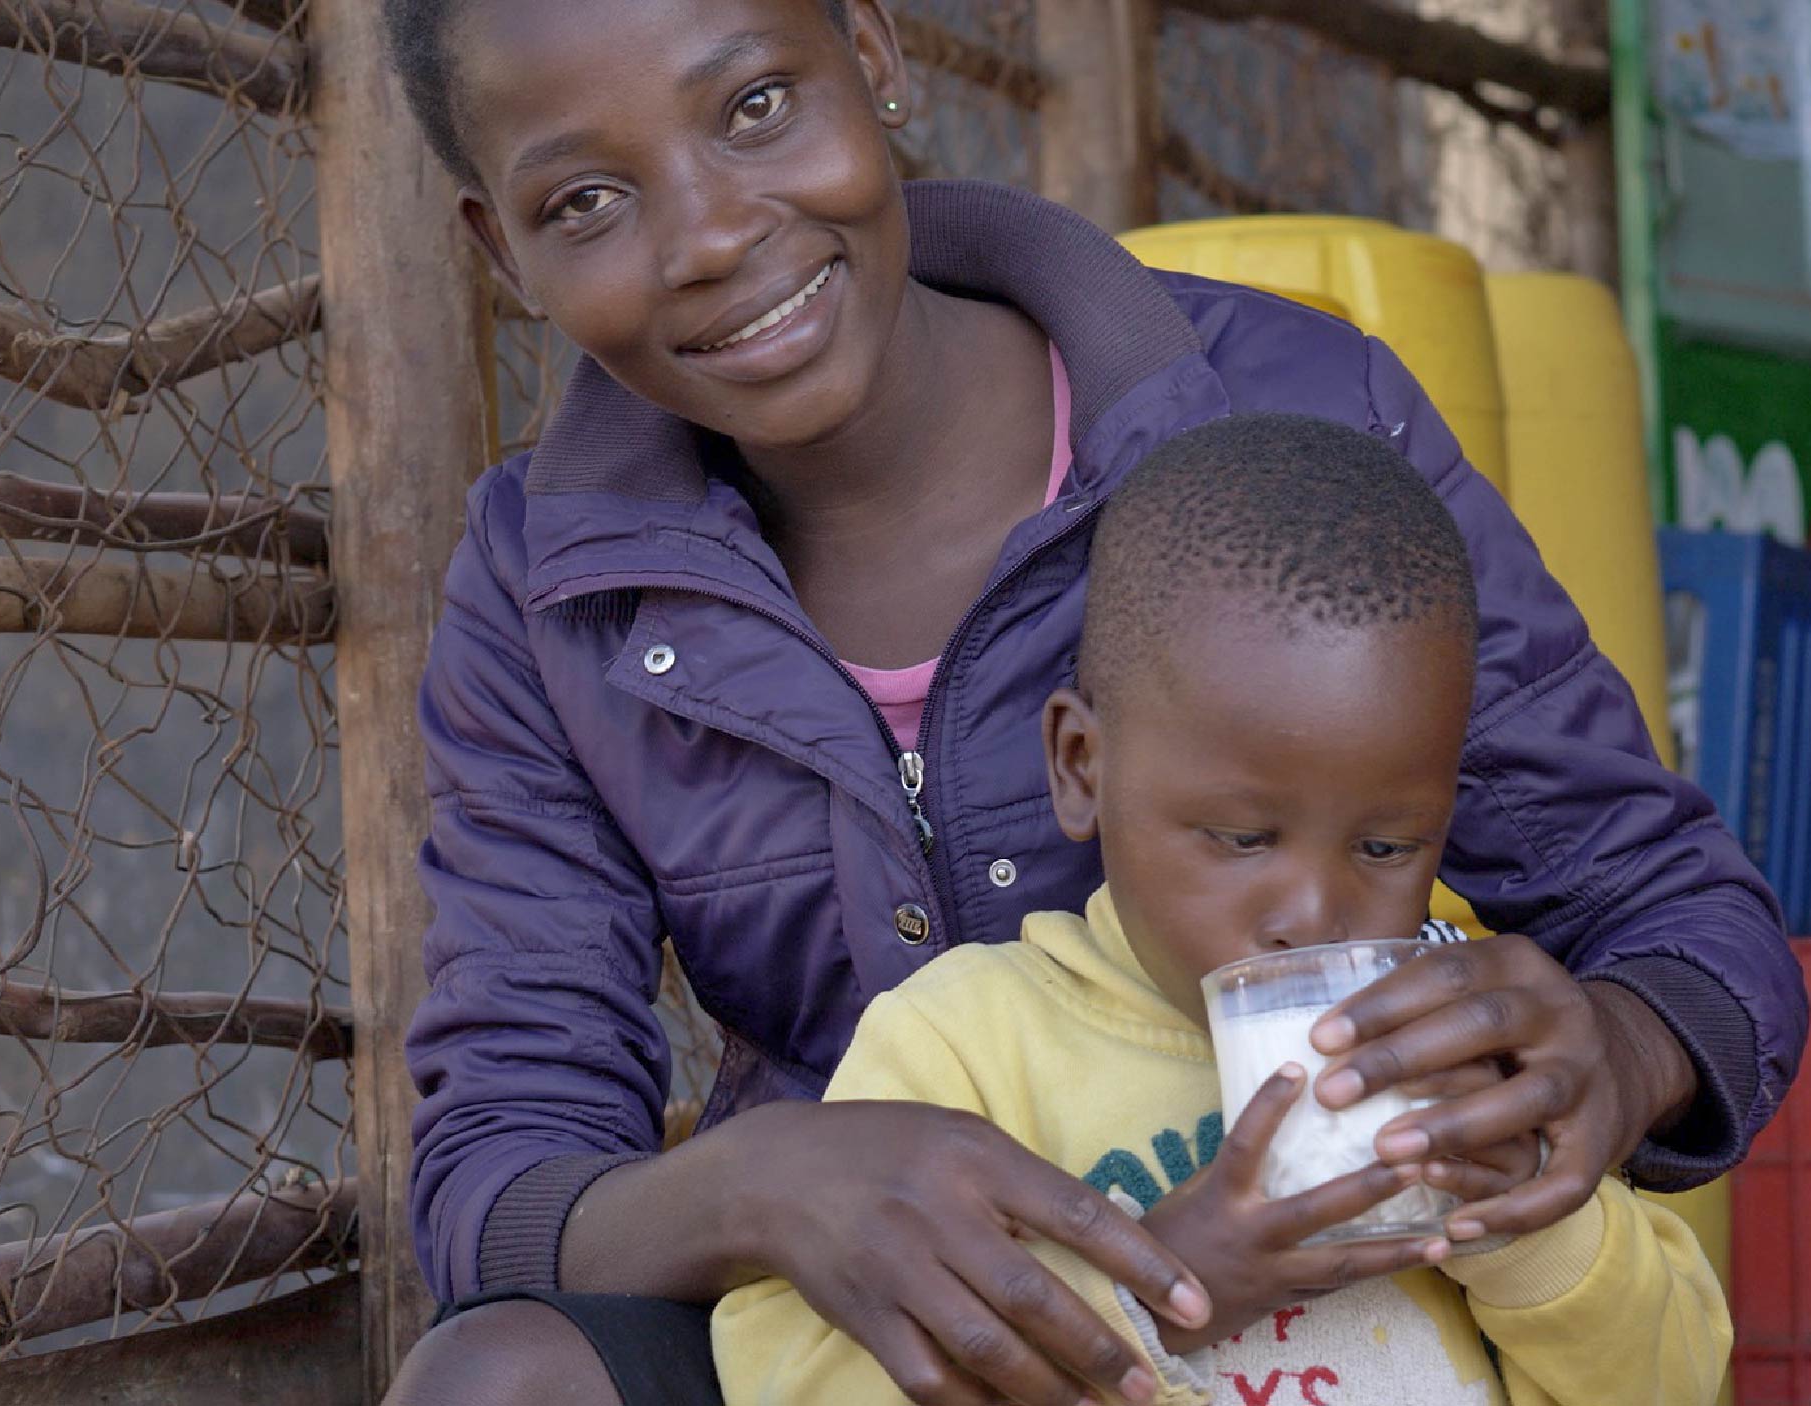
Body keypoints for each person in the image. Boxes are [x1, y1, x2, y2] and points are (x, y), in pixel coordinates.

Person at [376, 0, 1804, 1401]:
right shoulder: (549, 587)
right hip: (862, 1338)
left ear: (871, 53)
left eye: (755, 106)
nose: (707, 235)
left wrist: (1608, 1053)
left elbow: (1678, 912)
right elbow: (501, 1171)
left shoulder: (1279, 420)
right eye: (585, 200)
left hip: (1345, 1311)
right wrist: (759, 1184)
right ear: (502, 249)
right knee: (501, 1380)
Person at [710, 414, 1732, 1406]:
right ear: (1081, 767)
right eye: (1242, 838)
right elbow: (791, 1377)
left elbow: (1679, 1373)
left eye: (1385, 845)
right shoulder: (967, 1047)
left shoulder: (1453, 1040)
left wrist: (1521, 1216)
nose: (1312, 912)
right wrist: (1166, 1288)